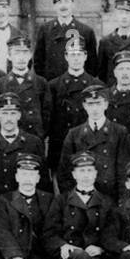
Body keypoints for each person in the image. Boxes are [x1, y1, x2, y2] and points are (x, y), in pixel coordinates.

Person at [57, 83, 130, 202]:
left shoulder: (119, 132)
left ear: (106, 104)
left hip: (110, 197)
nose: (95, 108)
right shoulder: (74, 134)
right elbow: (64, 172)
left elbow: (123, 171)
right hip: (82, 198)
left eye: (98, 103)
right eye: (90, 104)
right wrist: (72, 200)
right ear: (84, 106)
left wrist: (122, 201)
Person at [45, 32, 103, 176]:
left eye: (79, 54)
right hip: (61, 148)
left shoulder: (97, 85)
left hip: (89, 146)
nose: (76, 58)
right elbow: (49, 120)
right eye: (72, 54)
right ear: (66, 56)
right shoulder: (53, 86)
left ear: (85, 56)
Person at [0, 93, 47, 200]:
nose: (9, 118)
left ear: (19, 115)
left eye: (13, 113)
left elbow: (44, 182)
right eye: (4, 113)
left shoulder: (33, 142)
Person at [0, 34, 51, 141]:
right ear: (9, 56)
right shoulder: (0, 84)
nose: (21, 57)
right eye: (17, 52)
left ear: (30, 55)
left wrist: (40, 136)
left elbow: (47, 115)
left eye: (25, 52)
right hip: (9, 138)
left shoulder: (41, 82)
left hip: (34, 138)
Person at [34, 0, 98, 80]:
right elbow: (38, 62)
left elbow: (92, 65)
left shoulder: (86, 31)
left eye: (67, 2)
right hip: (52, 86)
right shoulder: (45, 30)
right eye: (59, 2)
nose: (63, 6)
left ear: (73, 4)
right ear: (54, 6)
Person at [97, 0, 130, 78]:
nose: (124, 16)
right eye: (121, 13)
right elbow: (102, 73)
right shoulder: (105, 42)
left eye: (128, 13)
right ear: (115, 15)